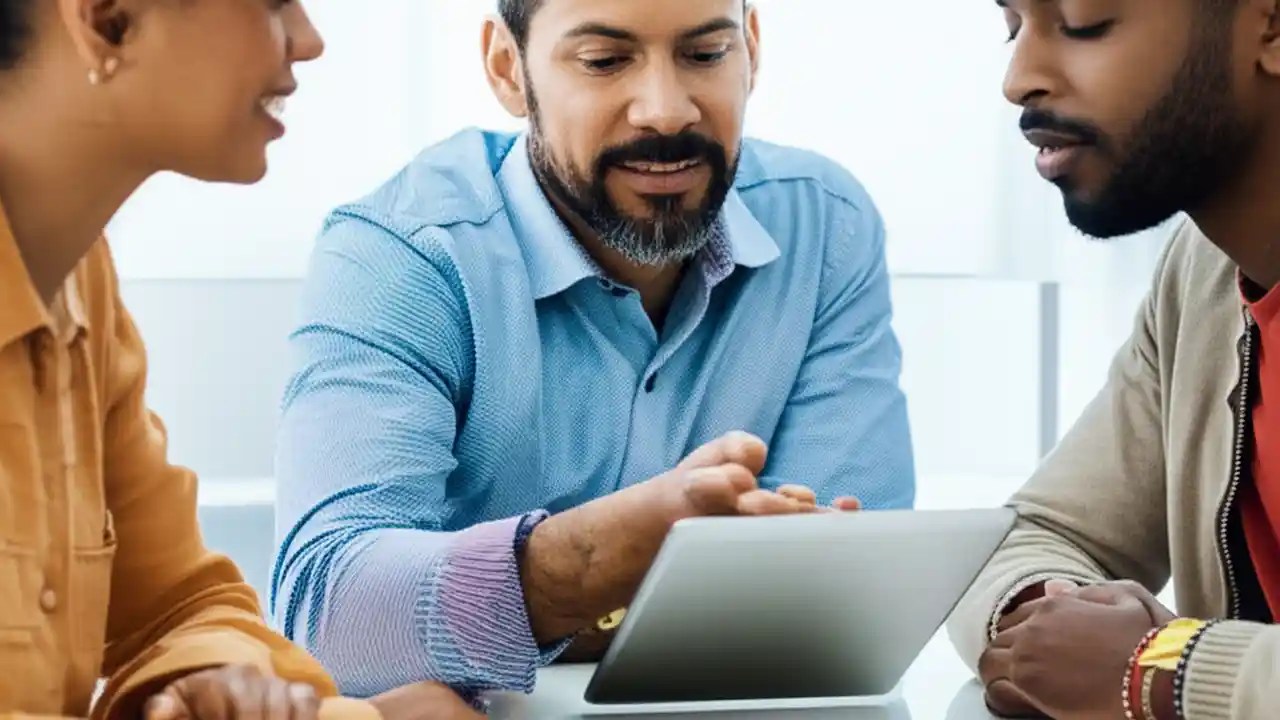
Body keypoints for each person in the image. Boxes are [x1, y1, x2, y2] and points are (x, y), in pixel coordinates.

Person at [271, 0, 915, 698]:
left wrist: (511, 612)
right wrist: (591, 560)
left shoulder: (826, 225)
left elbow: (849, 597)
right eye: (605, 61)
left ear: (751, 48)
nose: (666, 113)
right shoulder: (400, 253)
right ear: (506, 69)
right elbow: (326, 612)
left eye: (705, 56)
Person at [0, 1, 479, 718]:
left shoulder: (80, 287)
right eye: (272, 3)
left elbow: (183, 605)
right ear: (106, 19)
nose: (308, 42)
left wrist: (205, 687)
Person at [948, 0, 1280, 718]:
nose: (1019, 77)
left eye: (1081, 21)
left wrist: (1171, 670)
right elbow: (1036, 536)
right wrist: (1054, 620)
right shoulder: (1203, 277)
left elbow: (1154, 669)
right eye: (1013, 25)